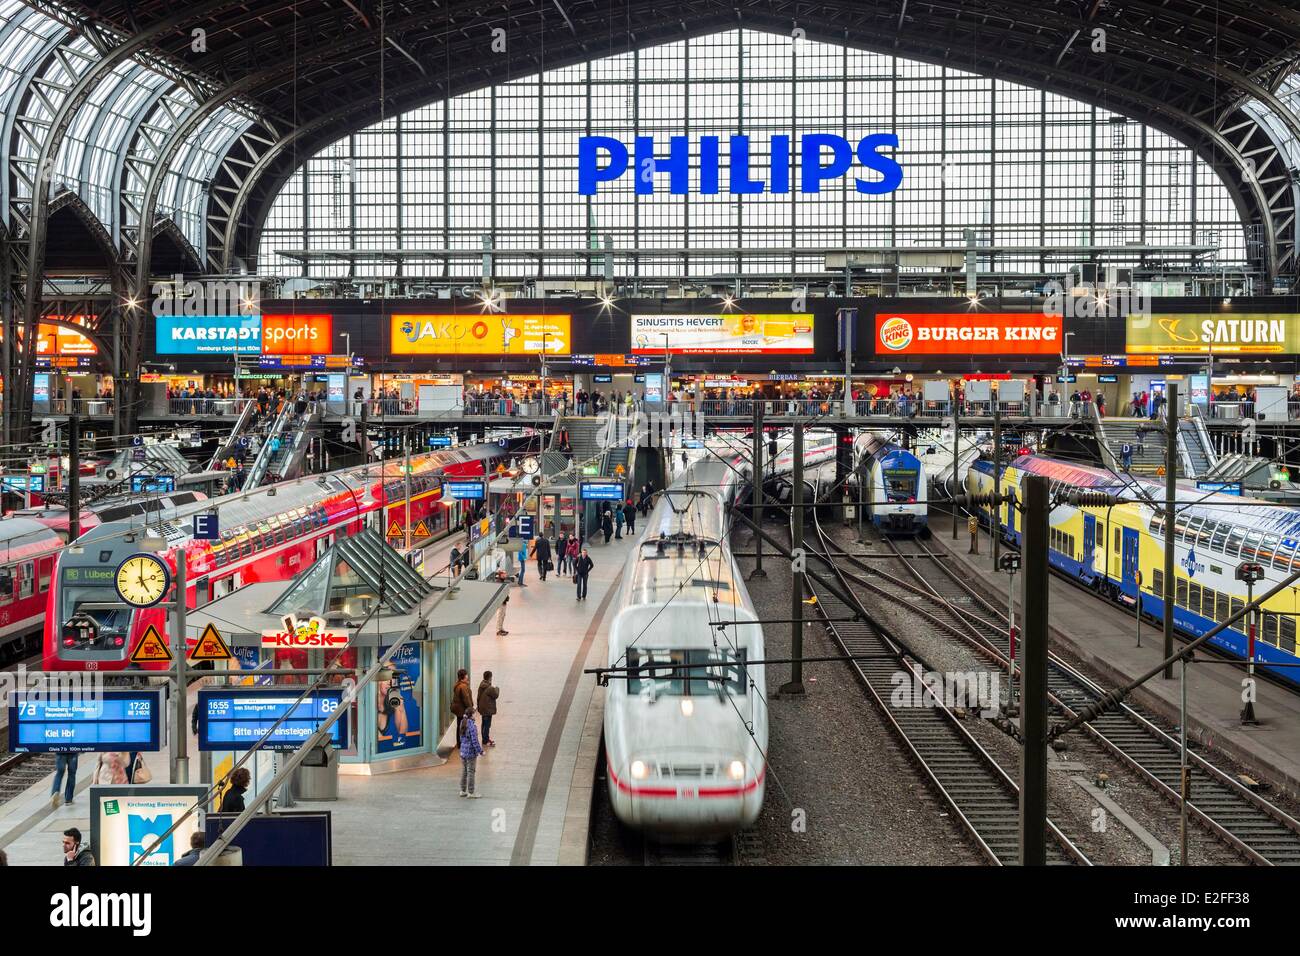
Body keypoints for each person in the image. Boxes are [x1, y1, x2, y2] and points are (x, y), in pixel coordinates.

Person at [459, 706, 485, 798]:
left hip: (463, 751)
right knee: (471, 771)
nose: (475, 715)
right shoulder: (472, 727)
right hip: (470, 752)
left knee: (464, 771)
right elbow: (475, 741)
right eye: (474, 713)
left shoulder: (462, 722)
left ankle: (462, 790)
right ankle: (471, 792)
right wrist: (481, 751)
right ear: (471, 715)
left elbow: (461, 738)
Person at [477, 671, 500, 748]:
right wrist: (497, 688)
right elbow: (496, 695)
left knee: (484, 724)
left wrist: (479, 707)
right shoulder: (490, 688)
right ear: (490, 677)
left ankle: (484, 739)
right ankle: (485, 740)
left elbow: (478, 697)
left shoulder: (481, 685)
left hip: (483, 708)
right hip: (488, 709)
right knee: (487, 725)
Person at [451, 668, 474, 744]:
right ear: (464, 676)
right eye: (466, 674)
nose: (467, 676)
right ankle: (461, 743)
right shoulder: (463, 686)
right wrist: (471, 710)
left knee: (459, 725)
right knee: (462, 726)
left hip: (459, 709)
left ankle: (459, 742)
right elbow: (466, 699)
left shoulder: (458, 684)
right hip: (462, 710)